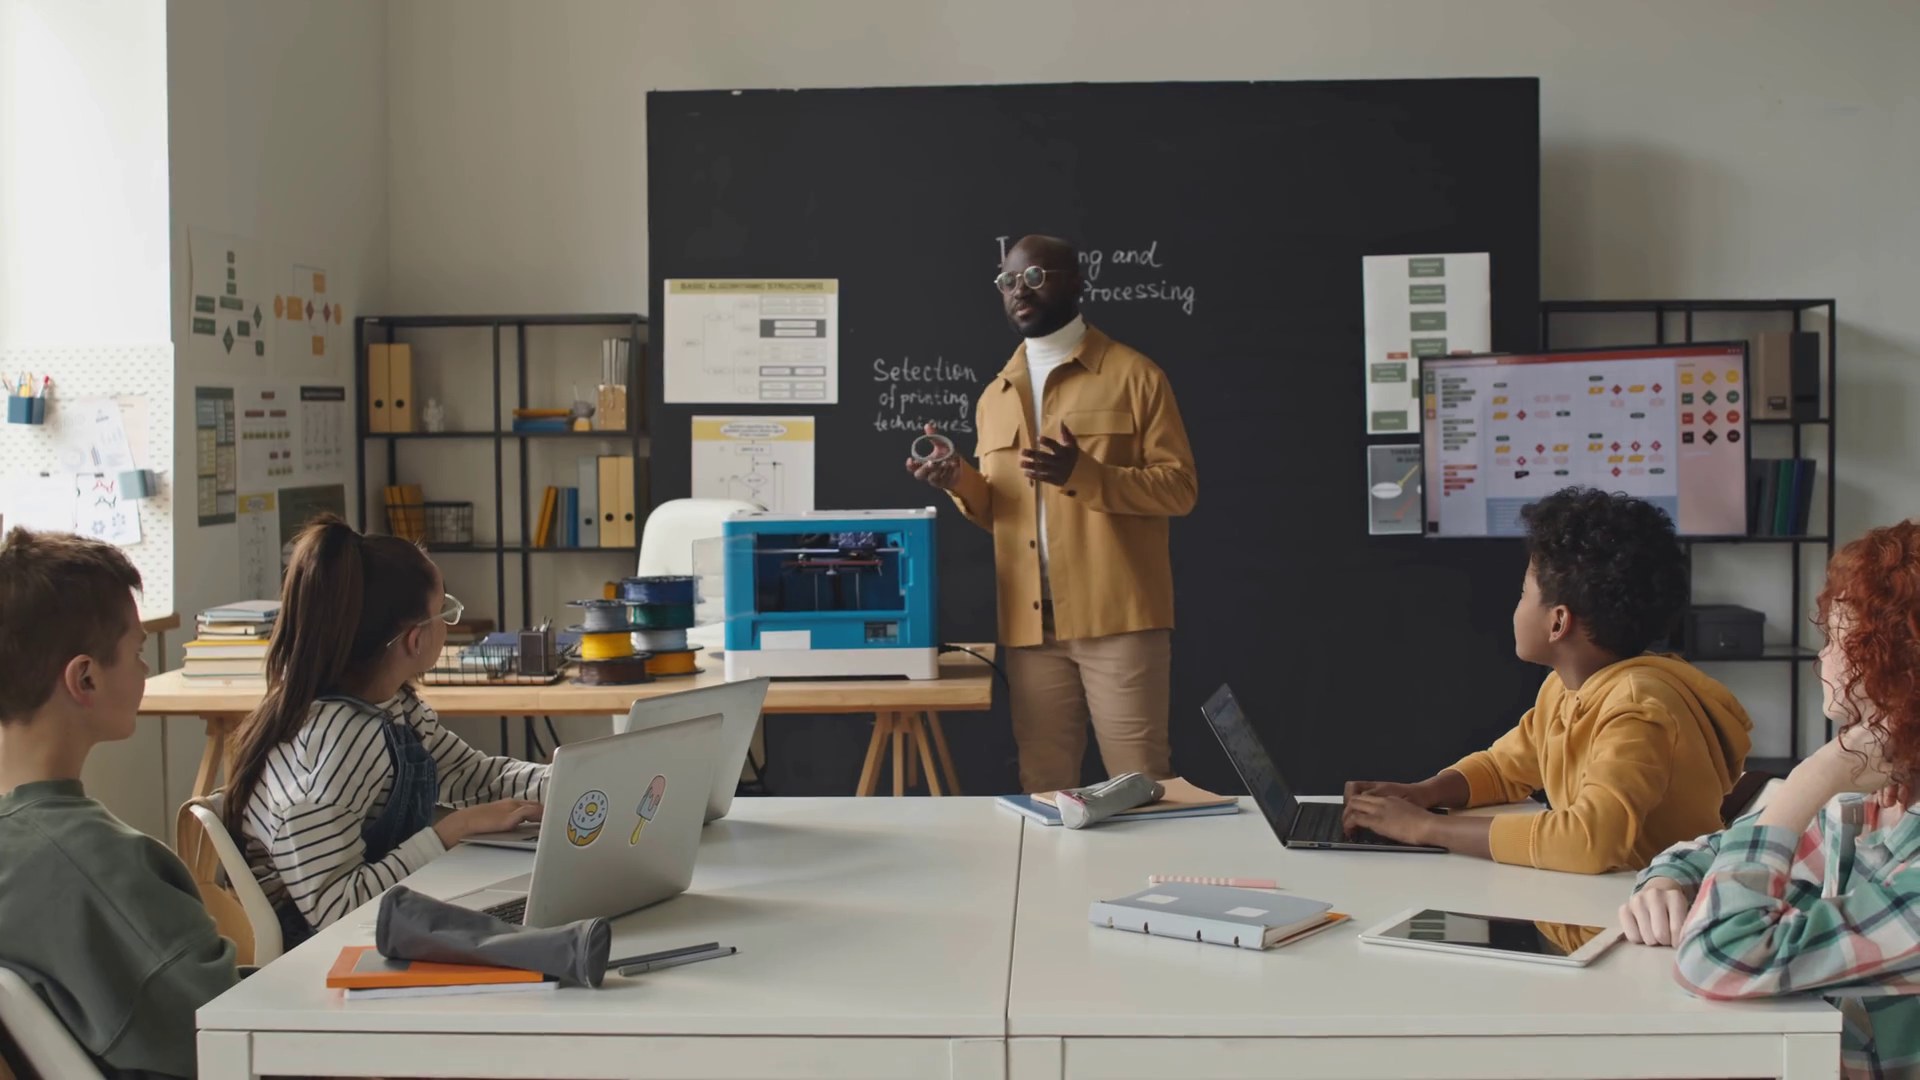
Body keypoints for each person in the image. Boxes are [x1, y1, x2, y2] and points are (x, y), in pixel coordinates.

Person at [1621, 521, 1920, 1080]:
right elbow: (1712, 853)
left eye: (1838, 640)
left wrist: (1814, 775)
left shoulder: (1862, 798)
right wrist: (1663, 883)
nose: (1823, 659)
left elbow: (1721, 957)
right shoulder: (1884, 802)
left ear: (1896, 666)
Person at [907, 234, 1198, 794]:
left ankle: (1155, 886)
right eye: (1008, 280)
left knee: (1142, 784)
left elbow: (1180, 489)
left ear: (1075, 282)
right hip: (1029, 628)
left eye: (1035, 277)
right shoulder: (995, 395)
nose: (1020, 290)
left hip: (1119, 621)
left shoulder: (1136, 376)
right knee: (1043, 788)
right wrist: (958, 478)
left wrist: (1084, 475)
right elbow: (1003, 511)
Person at [1343, 487, 1752, 873]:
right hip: (1604, 900)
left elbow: (1588, 841)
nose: (1516, 605)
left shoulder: (1637, 710)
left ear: (1558, 622)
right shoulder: (1566, 688)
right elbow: (1506, 768)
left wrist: (1426, 829)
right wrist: (1424, 794)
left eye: (1524, 593)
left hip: (1654, 913)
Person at [225, 516, 548, 946]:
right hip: (313, 954)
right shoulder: (337, 744)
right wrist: (449, 833)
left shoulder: (391, 707)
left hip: (375, 923)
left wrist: (578, 780)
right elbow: (334, 910)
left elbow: (477, 777)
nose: (449, 622)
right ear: (415, 640)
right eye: (444, 611)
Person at [0, 528, 239, 1079]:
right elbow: (224, 1026)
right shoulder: (95, 865)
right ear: (85, 677)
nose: (145, 670)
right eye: (136, 652)